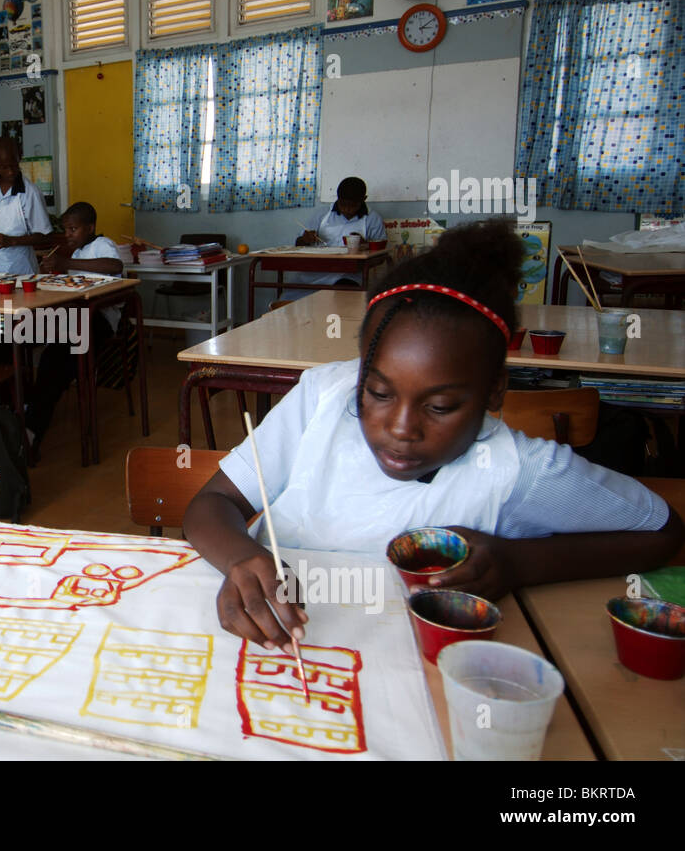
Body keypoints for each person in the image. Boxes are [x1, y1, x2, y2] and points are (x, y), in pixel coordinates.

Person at [183, 219, 683, 652]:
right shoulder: (324, 396)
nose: (401, 429)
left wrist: (515, 562)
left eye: (440, 406)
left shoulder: (517, 469)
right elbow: (212, 504)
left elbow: (663, 533)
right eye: (377, 393)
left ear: (493, 394)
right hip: (264, 647)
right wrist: (243, 559)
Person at [26, 202, 124, 454]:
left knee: (55, 355)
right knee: (17, 336)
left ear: (90, 228)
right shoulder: (78, 253)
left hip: (98, 320)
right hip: (73, 317)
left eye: (73, 229)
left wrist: (67, 264)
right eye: (66, 229)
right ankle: (24, 405)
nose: (68, 234)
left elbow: (115, 267)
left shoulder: (102, 245)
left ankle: (31, 427)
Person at [285, 175, 386, 298]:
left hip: (348, 274)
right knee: (291, 299)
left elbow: (381, 257)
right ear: (337, 199)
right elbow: (298, 244)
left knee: (342, 297)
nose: (347, 210)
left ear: (364, 199)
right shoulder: (322, 215)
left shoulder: (372, 219)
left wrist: (365, 247)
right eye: (343, 204)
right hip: (314, 273)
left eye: (353, 205)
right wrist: (305, 239)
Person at [0, 135, 56, 276]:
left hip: (20, 269)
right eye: (4, 167)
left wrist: (11, 240)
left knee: (12, 299)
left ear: (20, 158)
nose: (11, 172)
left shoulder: (30, 192)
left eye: (14, 165)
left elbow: (45, 236)